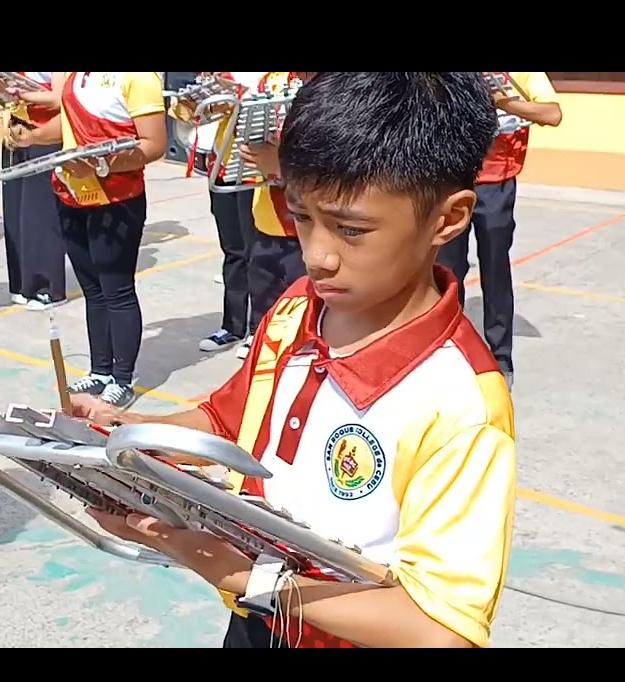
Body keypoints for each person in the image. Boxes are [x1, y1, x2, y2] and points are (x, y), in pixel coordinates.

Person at [70, 72, 516, 648]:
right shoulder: (298, 308)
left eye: (352, 230)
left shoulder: (461, 402)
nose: (317, 255)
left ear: (448, 219)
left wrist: (242, 575)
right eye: (302, 216)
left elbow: (440, 629)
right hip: (261, 617)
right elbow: (235, 415)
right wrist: (136, 432)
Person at [10, 72, 167, 408]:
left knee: (117, 290)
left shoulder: (139, 79)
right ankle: (100, 370)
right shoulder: (74, 76)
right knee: (93, 291)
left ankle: (122, 379)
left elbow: (154, 144)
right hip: (70, 194)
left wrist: (101, 166)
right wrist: (32, 138)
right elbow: (69, 123)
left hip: (116, 199)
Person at [436, 72, 562, 388]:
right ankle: (448, 347)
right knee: (449, 271)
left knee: (495, 268)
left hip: (497, 184)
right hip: (453, 179)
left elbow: (553, 114)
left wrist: (504, 103)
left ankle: (500, 356)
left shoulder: (519, 75)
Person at [236, 71, 318, 361]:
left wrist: (283, 167)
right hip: (268, 226)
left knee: (311, 330)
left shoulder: (344, 85)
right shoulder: (270, 80)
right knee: (266, 324)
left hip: (315, 232)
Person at [189, 72, 264, 354]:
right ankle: (232, 326)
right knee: (233, 252)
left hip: (252, 170)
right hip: (222, 165)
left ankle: (258, 329)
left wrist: (238, 92)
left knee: (255, 253)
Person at [4, 72, 70, 311]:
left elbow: (59, 97)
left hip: (45, 133)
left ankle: (47, 287)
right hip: (17, 130)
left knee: (40, 214)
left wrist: (23, 94)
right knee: (16, 212)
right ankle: (23, 282)